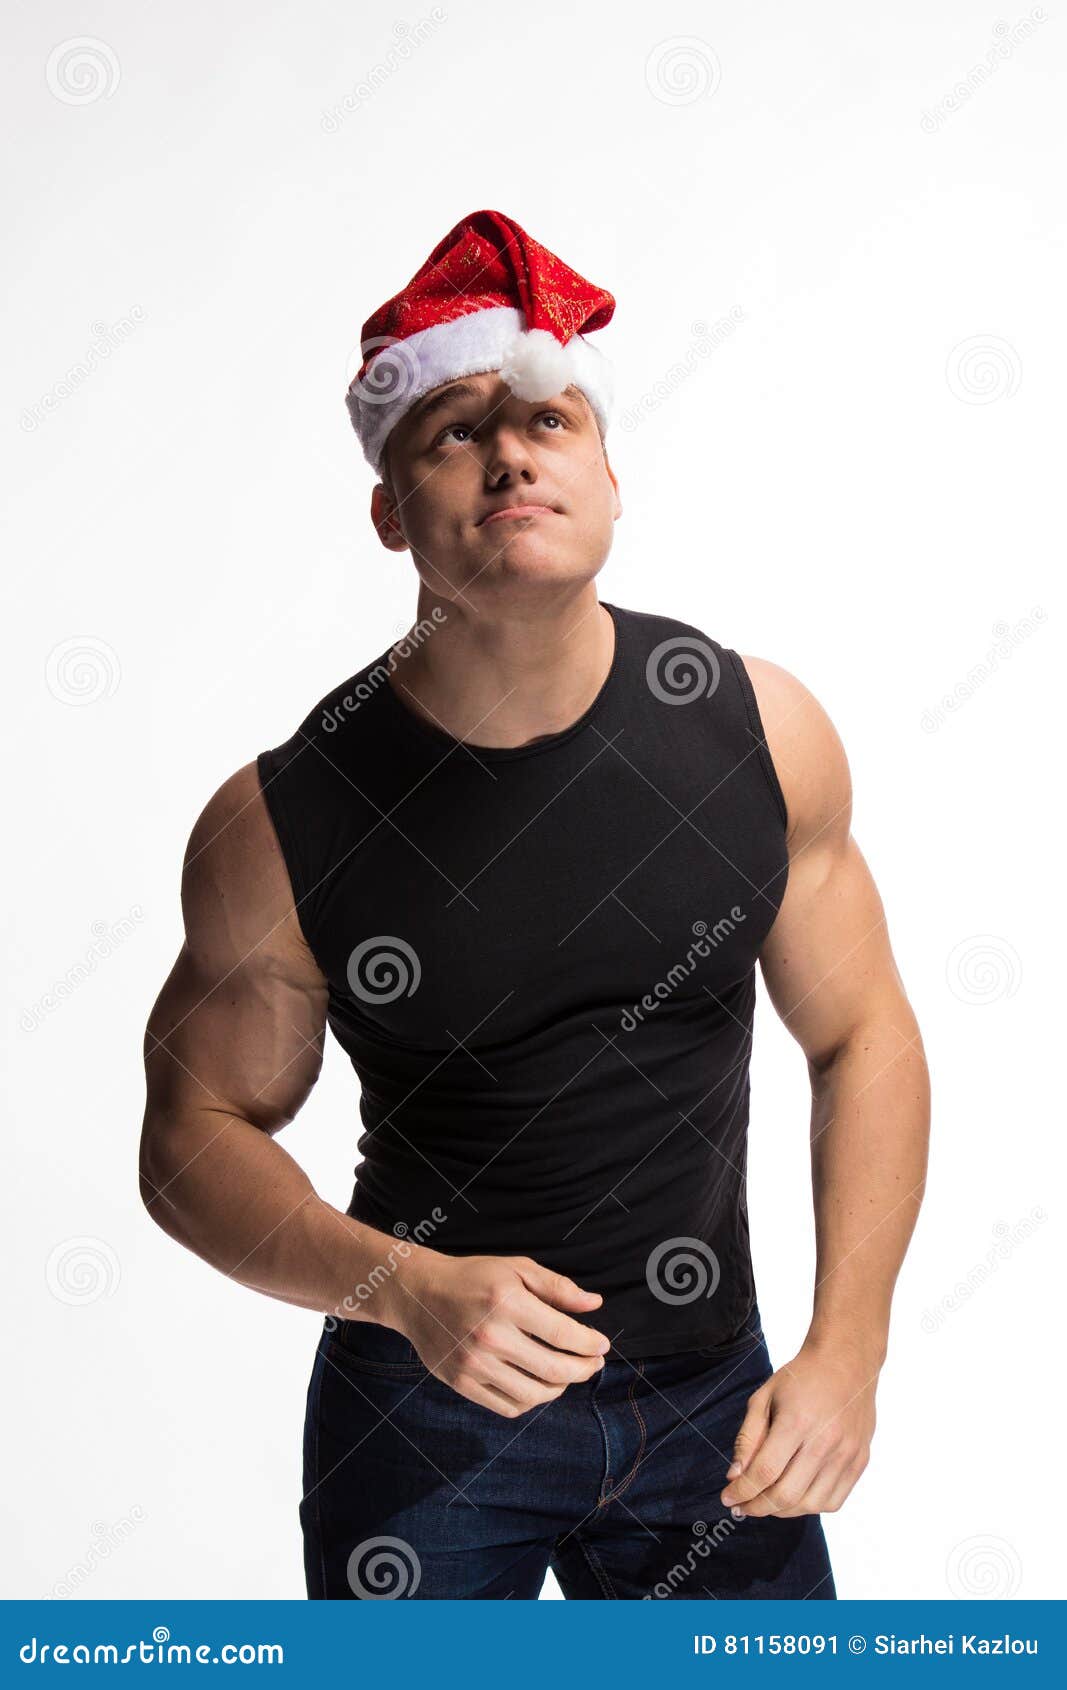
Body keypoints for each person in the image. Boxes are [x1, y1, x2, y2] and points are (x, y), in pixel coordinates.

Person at [139, 209, 930, 1600]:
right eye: (453, 429)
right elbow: (192, 1137)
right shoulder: (284, 818)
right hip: (428, 1419)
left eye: (550, 419)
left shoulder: (755, 730)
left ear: (611, 478)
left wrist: (848, 1346)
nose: (511, 450)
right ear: (389, 510)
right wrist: (403, 1288)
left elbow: (863, 1032)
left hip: (717, 1409)